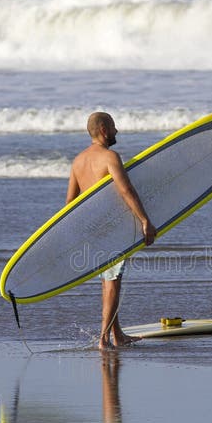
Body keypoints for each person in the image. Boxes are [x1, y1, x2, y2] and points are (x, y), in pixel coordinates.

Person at [66, 112, 157, 350]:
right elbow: (126, 190)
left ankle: (117, 335)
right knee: (112, 283)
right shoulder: (110, 157)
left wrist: (73, 235)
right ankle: (104, 339)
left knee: (108, 281)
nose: (117, 132)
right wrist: (145, 220)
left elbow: (69, 205)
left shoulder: (78, 161)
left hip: (91, 229)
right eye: (114, 127)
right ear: (105, 129)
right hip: (110, 229)